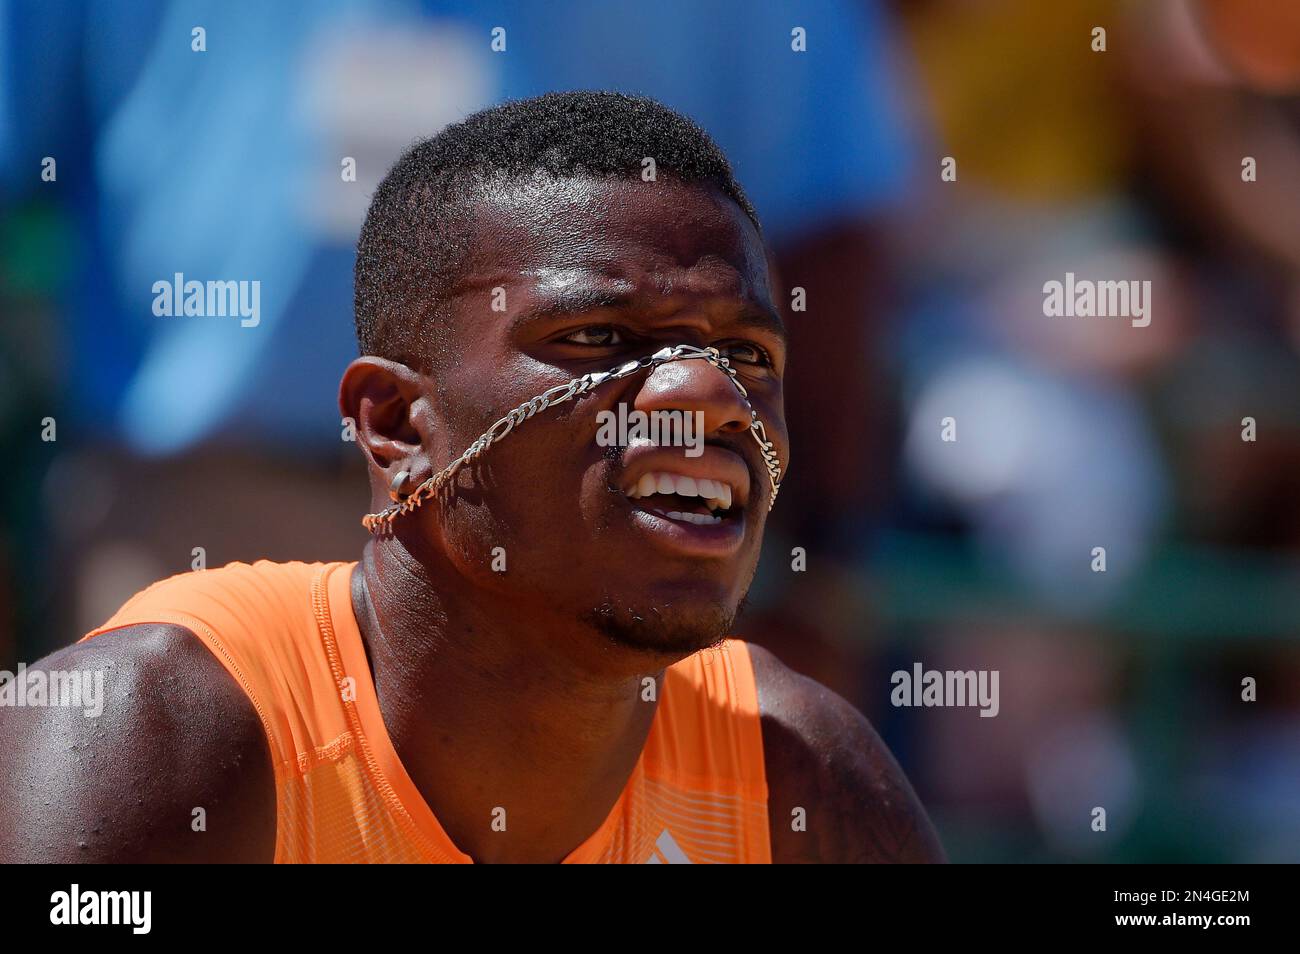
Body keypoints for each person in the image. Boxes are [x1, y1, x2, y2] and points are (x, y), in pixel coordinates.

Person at [0, 92, 943, 864]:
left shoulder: (800, 780)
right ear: (396, 425)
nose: (707, 394)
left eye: (748, 352)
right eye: (598, 340)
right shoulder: (155, 741)